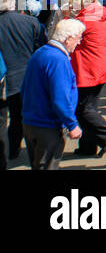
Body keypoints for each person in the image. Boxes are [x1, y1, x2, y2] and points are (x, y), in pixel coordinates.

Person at [19, 18, 85, 169]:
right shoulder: (57, 60)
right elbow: (60, 98)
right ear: (68, 39)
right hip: (47, 126)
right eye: (78, 38)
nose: (79, 42)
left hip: (31, 123)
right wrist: (72, 124)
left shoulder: (40, 53)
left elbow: (24, 89)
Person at [67, 0, 106, 158]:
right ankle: (88, 147)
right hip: (103, 65)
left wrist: (67, 16)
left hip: (89, 68)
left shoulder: (82, 21)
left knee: (83, 110)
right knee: (90, 106)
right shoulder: (102, 13)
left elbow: (65, 35)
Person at [1, 0, 46, 165]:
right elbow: (42, 49)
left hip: (4, 82)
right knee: (28, 117)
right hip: (28, 79)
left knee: (5, 121)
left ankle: (10, 153)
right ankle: (34, 155)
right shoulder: (31, 22)